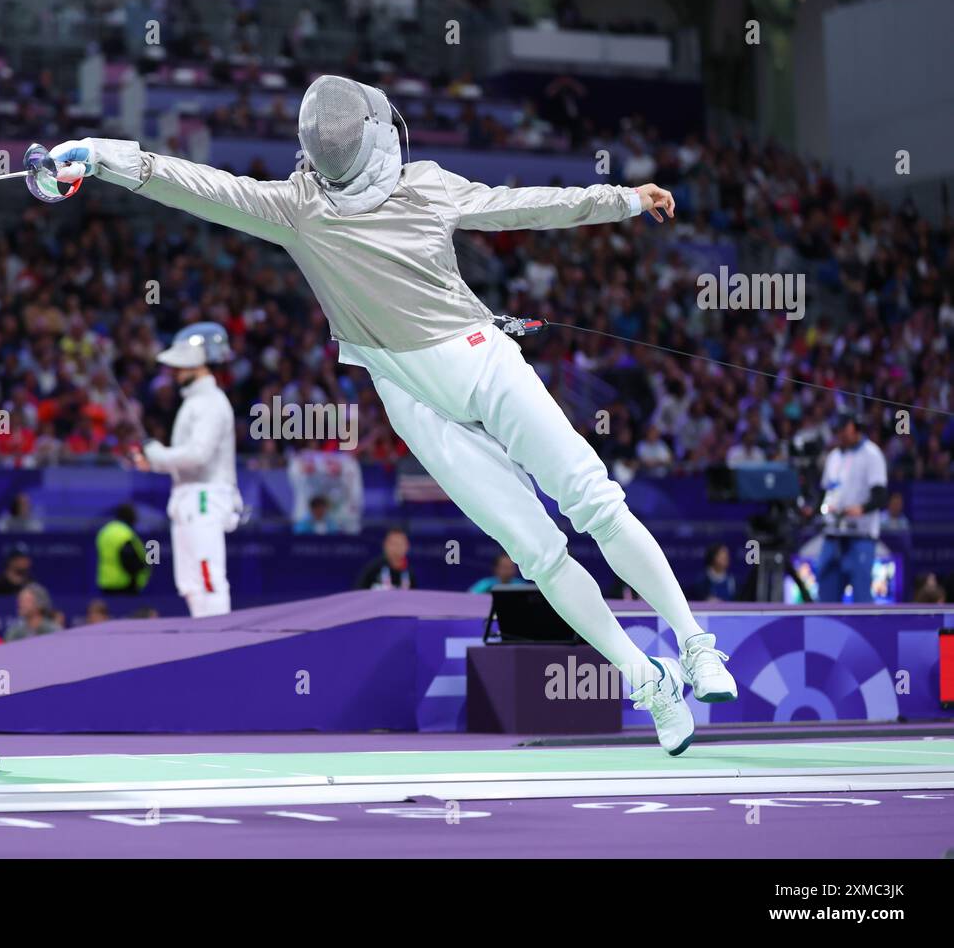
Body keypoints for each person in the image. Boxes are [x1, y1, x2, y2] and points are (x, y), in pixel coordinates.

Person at [47, 74, 736, 753]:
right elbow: (525, 204)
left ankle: (698, 645)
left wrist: (101, 155)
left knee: (593, 504)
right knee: (540, 552)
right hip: (419, 404)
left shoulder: (316, 203)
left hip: (484, 365)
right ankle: (650, 686)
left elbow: (195, 183)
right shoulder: (304, 207)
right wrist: (620, 197)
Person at [130, 323, 243, 617]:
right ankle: (205, 644)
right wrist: (153, 461)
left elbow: (199, 455)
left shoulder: (211, 403)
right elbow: (187, 459)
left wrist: (157, 455)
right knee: (191, 583)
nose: (176, 372)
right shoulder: (195, 402)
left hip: (205, 497)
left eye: (181, 366)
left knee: (208, 578)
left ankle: (219, 648)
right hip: (189, 497)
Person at [816, 413, 887, 603]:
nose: (840, 434)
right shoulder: (833, 456)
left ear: (856, 427)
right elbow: (826, 491)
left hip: (860, 536)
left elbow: (881, 496)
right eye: (838, 430)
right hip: (833, 534)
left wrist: (861, 509)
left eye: (844, 428)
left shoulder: (872, 454)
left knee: (861, 597)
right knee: (826, 596)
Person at [95, 503, 150, 595]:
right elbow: (129, 559)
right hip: (124, 585)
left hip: (106, 582)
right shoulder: (125, 534)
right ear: (130, 516)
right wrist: (136, 577)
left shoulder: (105, 531)